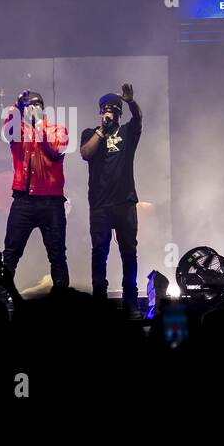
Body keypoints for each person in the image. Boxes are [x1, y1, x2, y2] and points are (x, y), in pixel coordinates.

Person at [79, 83, 142, 306]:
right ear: (100, 112)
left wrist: (131, 101)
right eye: (106, 110)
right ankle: (99, 300)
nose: (110, 113)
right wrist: (101, 131)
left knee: (128, 251)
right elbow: (86, 154)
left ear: (119, 113)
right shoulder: (90, 133)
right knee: (99, 252)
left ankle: (131, 300)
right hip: (100, 205)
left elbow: (138, 119)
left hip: (124, 203)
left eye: (114, 110)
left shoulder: (127, 133)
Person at [1, 89, 69, 289]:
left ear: (43, 109)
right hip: (23, 201)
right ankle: (2, 297)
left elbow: (56, 148)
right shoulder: (19, 131)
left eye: (36, 105)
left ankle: (61, 297)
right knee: (11, 252)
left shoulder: (58, 129)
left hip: (51, 202)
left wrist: (39, 124)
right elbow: (6, 132)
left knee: (57, 253)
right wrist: (16, 105)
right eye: (29, 105)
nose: (33, 108)